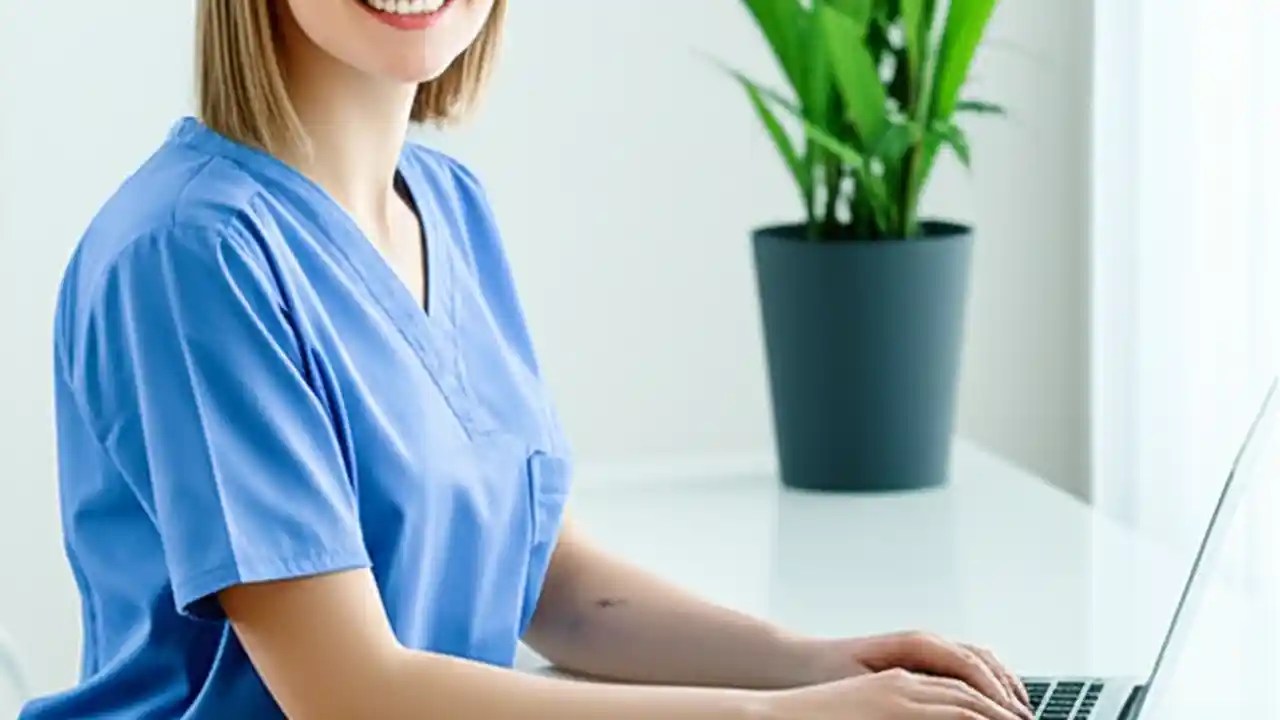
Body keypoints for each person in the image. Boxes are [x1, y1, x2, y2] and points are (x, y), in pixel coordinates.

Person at [22, 1, 1036, 718]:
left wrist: (815, 664)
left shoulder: (446, 206)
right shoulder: (191, 253)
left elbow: (547, 584)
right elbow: (350, 694)